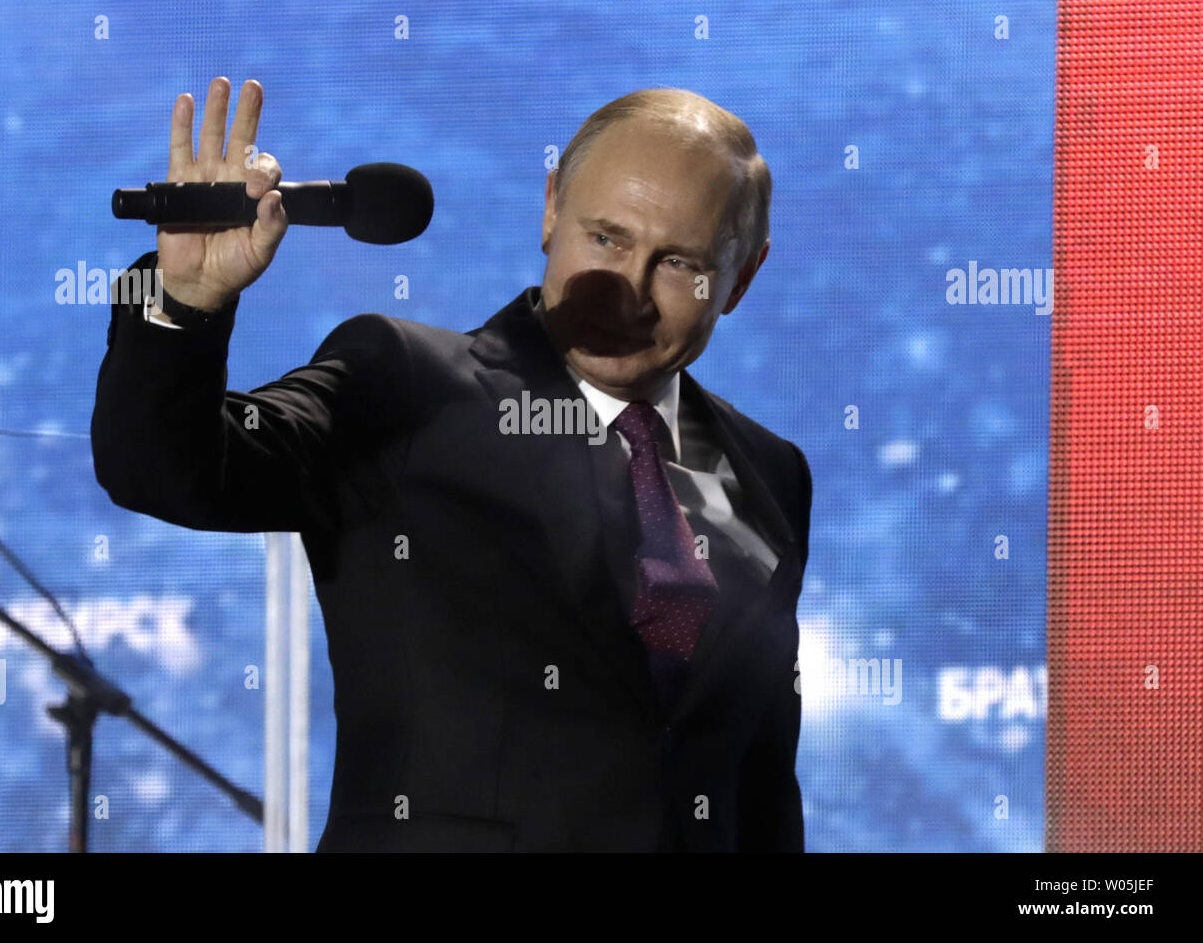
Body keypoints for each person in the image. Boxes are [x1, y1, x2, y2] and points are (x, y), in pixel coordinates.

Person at [92, 77, 811, 852]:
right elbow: (164, 468)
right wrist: (184, 304)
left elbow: (760, 780)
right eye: (605, 238)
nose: (626, 291)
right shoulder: (405, 383)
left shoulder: (770, 474)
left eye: (677, 262)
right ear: (549, 209)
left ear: (742, 276)